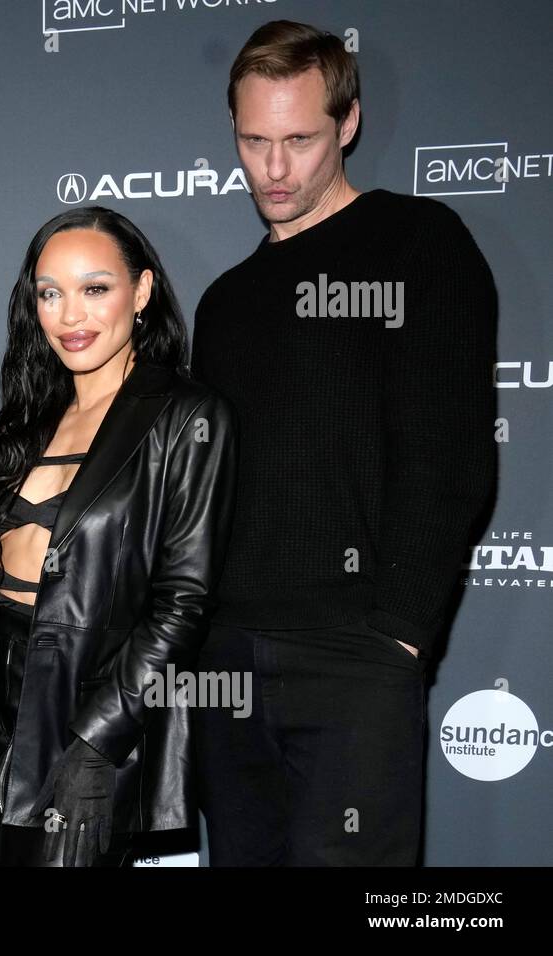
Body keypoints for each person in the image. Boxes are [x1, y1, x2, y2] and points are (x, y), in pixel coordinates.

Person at [190, 20, 498, 866]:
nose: (275, 169)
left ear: (349, 123)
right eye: (255, 141)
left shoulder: (419, 244)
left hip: (355, 659)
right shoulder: (225, 303)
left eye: (300, 140)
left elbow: (451, 458)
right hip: (228, 666)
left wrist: (397, 636)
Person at [0, 206, 236, 867]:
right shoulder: (27, 417)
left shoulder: (186, 416)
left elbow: (183, 602)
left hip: (90, 711)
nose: (69, 315)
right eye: (50, 293)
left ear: (141, 292)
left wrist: (97, 742)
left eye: (95, 288)